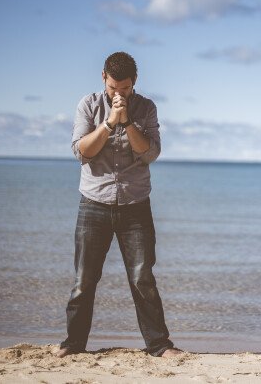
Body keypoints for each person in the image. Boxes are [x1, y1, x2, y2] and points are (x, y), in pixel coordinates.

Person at [57, 51, 182, 358]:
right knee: (84, 280)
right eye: (114, 88)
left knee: (142, 278)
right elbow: (81, 152)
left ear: (134, 82)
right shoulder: (87, 104)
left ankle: (159, 346)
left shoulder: (147, 107)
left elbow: (150, 153)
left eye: (125, 88)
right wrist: (109, 123)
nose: (119, 94)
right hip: (94, 204)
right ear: (104, 78)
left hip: (135, 204)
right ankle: (73, 345)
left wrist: (126, 123)